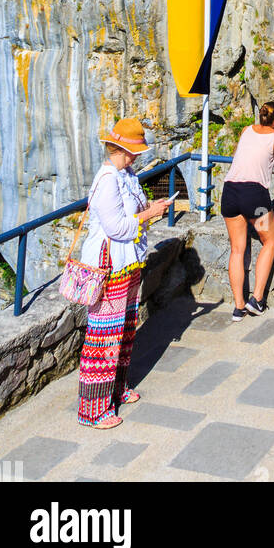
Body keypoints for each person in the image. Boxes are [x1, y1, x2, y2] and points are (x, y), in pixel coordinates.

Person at [76, 117, 173, 428]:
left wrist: (151, 207)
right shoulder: (107, 180)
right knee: (104, 334)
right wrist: (150, 214)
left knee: (124, 327)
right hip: (109, 265)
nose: (138, 156)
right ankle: (92, 410)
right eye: (135, 150)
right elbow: (117, 227)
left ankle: (116, 389)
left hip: (127, 263)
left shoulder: (126, 174)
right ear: (121, 148)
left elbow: (133, 213)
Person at [221, 102, 274, 320]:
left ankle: (238, 307)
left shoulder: (246, 130)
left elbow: (242, 154)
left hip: (230, 191)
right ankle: (256, 299)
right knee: (270, 240)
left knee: (237, 248)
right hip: (254, 196)